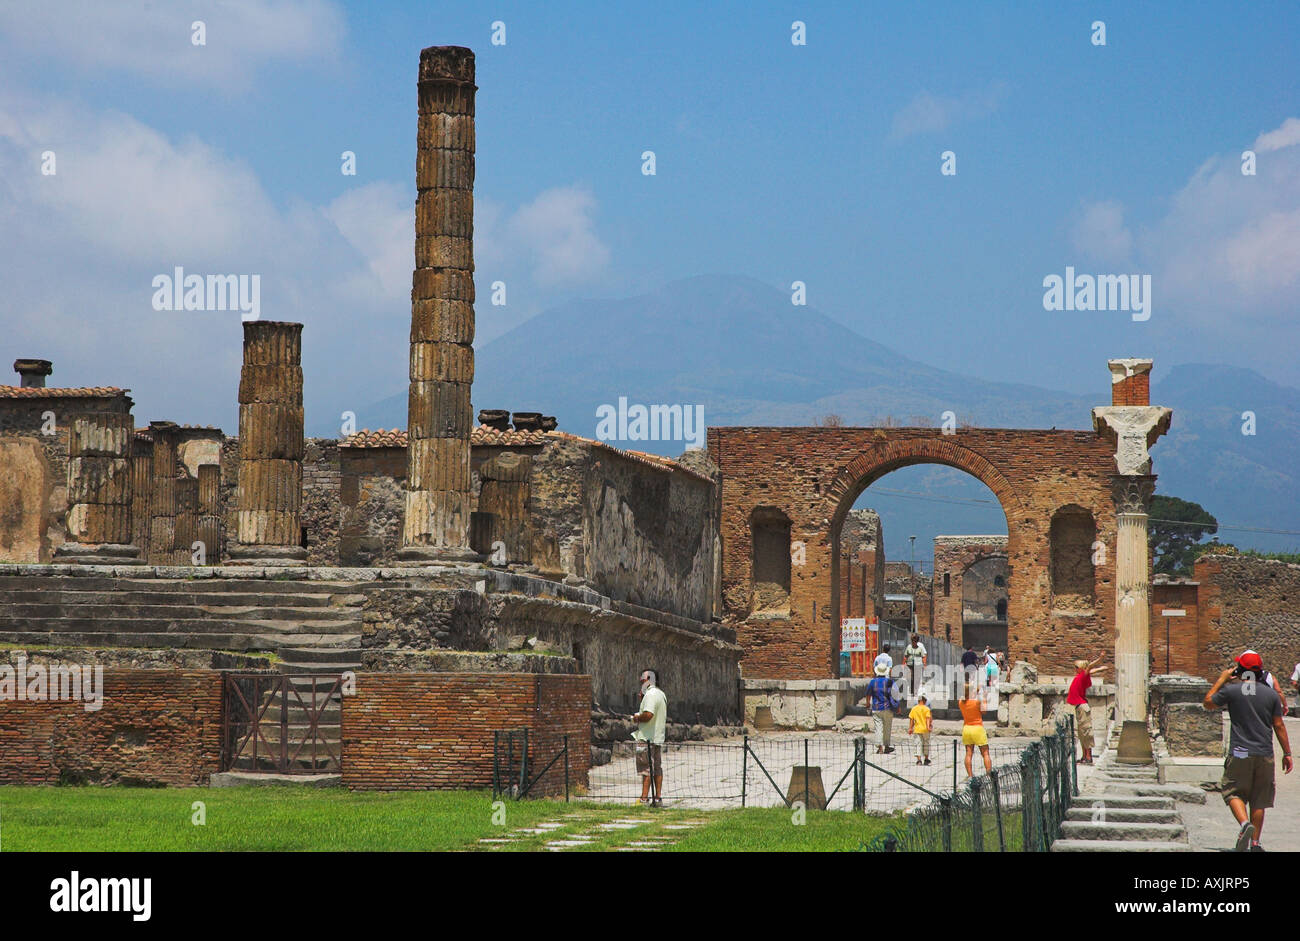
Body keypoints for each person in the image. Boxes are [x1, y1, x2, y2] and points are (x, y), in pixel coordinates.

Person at [1203, 651, 1293, 852]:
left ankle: (1245, 825)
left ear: (1239, 670)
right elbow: (1278, 725)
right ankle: (1255, 844)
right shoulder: (1271, 695)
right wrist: (1287, 753)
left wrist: (1222, 679)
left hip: (1240, 751)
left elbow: (1207, 702)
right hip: (1265, 753)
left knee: (1231, 790)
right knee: (1259, 799)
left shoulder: (1232, 690)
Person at [630, 668, 667, 807]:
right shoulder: (661, 694)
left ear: (650, 680)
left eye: (643, 678)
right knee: (657, 768)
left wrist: (636, 717)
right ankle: (657, 799)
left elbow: (649, 715)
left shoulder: (651, 695)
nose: (640, 680)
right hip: (657, 737)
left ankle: (644, 799)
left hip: (647, 738)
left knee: (646, 769)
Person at [1068, 656, 1106, 764]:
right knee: (1081, 734)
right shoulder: (1081, 676)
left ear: (1081, 668)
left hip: (1082, 706)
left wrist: (1099, 659)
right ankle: (1084, 756)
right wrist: (1101, 668)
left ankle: (1088, 757)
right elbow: (1091, 670)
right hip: (1079, 707)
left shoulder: (1082, 676)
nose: (1074, 669)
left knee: (1086, 731)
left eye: (1076, 667)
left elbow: (1089, 668)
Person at [959, 684, 991, 777]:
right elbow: (984, 711)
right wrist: (984, 698)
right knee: (985, 753)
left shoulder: (961, 701)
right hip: (977, 728)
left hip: (966, 728)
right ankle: (989, 774)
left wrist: (976, 690)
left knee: (968, 753)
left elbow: (968, 695)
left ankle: (970, 776)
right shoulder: (977, 701)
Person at [867, 662, 898, 754]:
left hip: (876, 708)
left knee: (878, 728)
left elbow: (868, 694)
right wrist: (897, 706)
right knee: (887, 727)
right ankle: (887, 746)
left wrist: (868, 704)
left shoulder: (873, 682)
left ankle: (879, 747)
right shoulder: (890, 682)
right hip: (888, 708)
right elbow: (895, 694)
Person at [908, 693, 933, 766]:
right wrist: (929, 727)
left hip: (917, 729)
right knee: (926, 744)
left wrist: (910, 728)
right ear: (924, 701)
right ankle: (926, 759)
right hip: (925, 730)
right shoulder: (927, 709)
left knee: (918, 744)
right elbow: (928, 718)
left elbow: (911, 719)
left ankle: (919, 760)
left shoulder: (914, 709)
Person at [903, 633, 927, 700]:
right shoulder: (909, 647)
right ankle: (911, 689)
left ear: (917, 641)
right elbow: (905, 656)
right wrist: (903, 664)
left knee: (917, 678)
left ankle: (915, 691)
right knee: (910, 677)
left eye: (915, 640)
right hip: (909, 664)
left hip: (918, 665)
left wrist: (924, 664)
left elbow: (923, 656)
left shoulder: (920, 648)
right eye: (913, 640)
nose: (914, 642)